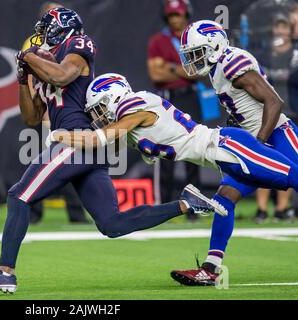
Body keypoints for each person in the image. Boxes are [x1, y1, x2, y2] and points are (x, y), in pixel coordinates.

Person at [0, 8, 220, 293]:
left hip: (77, 141)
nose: (40, 37)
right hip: (83, 148)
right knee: (112, 224)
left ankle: (4, 272)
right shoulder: (45, 64)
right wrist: (23, 78)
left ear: (61, 29)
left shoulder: (78, 45)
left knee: (19, 196)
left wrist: (30, 58)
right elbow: (32, 117)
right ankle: (184, 204)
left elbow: (62, 76)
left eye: (46, 29)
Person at [50, 73, 297, 218]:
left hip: (227, 147)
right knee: (225, 204)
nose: (99, 116)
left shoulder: (135, 105)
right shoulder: (129, 121)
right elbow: (108, 146)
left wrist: (58, 135)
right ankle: (211, 268)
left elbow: (99, 139)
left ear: (113, 97)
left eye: (100, 108)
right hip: (221, 159)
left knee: (293, 176)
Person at [169, 19, 298, 285]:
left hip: (277, 135)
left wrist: (259, 142)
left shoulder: (231, 61)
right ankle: (211, 269)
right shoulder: (217, 68)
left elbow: (273, 101)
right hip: (255, 142)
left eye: (197, 52)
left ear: (215, 45)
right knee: (224, 200)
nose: (194, 60)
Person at [21, 1, 89, 224]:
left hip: (68, 110)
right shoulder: (33, 43)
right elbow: (31, 78)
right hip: (49, 109)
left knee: (71, 164)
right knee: (40, 163)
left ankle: (76, 213)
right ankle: (33, 212)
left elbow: (66, 74)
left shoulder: (75, 43)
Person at [147, 0, 202, 220]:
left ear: (186, 15)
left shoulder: (194, 38)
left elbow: (197, 71)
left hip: (189, 97)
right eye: (171, 16)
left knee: (195, 151)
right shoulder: (158, 41)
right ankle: (165, 207)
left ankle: (195, 206)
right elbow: (155, 75)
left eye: (178, 15)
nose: (175, 20)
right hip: (168, 100)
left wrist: (168, 66)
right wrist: (181, 70)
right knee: (164, 152)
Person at [255, 14, 297, 223]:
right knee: (265, 158)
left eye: (284, 28)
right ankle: (261, 209)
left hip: (292, 111)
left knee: (288, 161)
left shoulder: (296, 54)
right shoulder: (263, 55)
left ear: (291, 31)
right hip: (267, 113)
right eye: (277, 27)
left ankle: (282, 208)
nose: (281, 32)